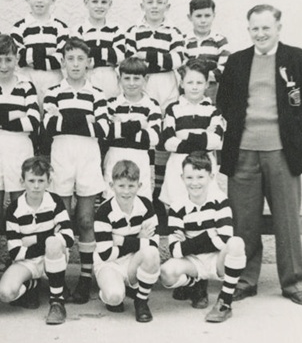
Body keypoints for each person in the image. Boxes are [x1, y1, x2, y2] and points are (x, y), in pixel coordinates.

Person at [217, 4, 302, 305]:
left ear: (278, 27)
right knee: (244, 222)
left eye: (266, 27)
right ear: (248, 29)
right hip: (243, 154)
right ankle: (244, 280)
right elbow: (224, 101)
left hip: (281, 153)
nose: (260, 33)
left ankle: (293, 283)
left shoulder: (298, 58)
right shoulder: (237, 61)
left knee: (287, 221)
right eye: (255, 28)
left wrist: (292, 131)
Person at [42, 37, 109, 304]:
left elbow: (102, 129)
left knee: (85, 220)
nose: (76, 64)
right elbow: (49, 126)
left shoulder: (98, 93)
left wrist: (65, 119)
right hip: (61, 155)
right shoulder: (53, 91)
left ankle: (84, 278)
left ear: (89, 62)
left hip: (88, 156)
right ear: (63, 62)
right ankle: (57, 280)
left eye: (81, 59)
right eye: (70, 59)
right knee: (60, 219)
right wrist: (85, 120)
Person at [160, 152, 247, 322]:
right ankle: (193, 284)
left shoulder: (220, 201)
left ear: (211, 176)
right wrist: (209, 234)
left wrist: (188, 242)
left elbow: (224, 240)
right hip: (192, 262)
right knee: (166, 273)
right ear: (182, 178)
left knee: (236, 243)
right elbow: (175, 250)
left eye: (200, 177)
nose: (195, 183)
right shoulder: (177, 206)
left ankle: (225, 302)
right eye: (189, 177)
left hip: (216, 260)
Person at [0, 34, 40, 235]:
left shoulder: (26, 85)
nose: (3, 66)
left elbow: (33, 121)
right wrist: (16, 114)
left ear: (17, 58)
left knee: (20, 203)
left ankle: (17, 251)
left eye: (8, 60)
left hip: (20, 147)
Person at [0, 156, 74, 325]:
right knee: (5, 293)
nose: (36, 186)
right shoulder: (15, 209)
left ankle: (56, 302)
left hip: (53, 256)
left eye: (41, 180)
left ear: (49, 181)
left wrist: (33, 239)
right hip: (26, 261)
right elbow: (15, 252)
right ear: (22, 181)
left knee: (54, 243)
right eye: (31, 180)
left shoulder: (55, 201)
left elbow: (68, 238)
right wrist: (48, 237)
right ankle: (32, 285)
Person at [93, 160, 160, 322]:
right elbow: (106, 253)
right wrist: (138, 239)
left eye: (131, 186)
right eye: (121, 186)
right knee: (115, 297)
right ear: (111, 185)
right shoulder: (104, 211)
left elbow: (154, 244)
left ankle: (141, 300)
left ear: (139, 185)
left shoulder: (145, 205)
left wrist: (120, 240)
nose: (126, 191)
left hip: (133, 261)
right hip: (110, 263)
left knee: (151, 253)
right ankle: (114, 289)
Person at [159, 58, 225, 208]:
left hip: (205, 167)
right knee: (176, 208)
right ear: (182, 83)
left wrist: (183, 135)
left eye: (199, 83)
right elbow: (168, 142)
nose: (194, 87)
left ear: (207, 84)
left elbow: (215, 142)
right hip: (178, 167)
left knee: (206, 210)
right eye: (190, 82)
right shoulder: (173, 109)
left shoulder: (213, 111)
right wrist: (203, 137)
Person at [103, 56, 162, 200]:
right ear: (119, 79)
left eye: (136, 78)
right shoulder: (111, 104)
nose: (131, 83)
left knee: (141, 201)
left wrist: (121, 127)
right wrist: (139, 126)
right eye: (127, 78)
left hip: (140, 156)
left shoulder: (152, 105)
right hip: (114, 156)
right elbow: (106, 132)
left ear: (145, 79)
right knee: (113, 199)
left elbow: (154, 138)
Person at [9, 0, 69, 106]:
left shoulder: (60, 27)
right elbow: (19, 58)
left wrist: (32, 55)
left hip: (53, 79)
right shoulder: (19, 27)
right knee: (30, 115)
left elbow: (61, 59)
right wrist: (48, 51)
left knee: (51, 115)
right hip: (27, 78)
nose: (39, 0)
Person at [125, 0, 185, 110]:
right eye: (150, 2)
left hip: (167, 82)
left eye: (159, 2)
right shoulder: (134, 31)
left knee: (168, 115)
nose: (154, 7)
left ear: (167, 6)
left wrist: (146, 55)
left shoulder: (173, 31)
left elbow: (177, 61)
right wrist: (164, 60)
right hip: (142, 82)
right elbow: (131, 62)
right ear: (142, 6)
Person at [75, 0, 125, 99]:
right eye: (94, 2)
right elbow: (79, 58)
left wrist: (90, 52)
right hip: (86, 78)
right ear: (86, 3)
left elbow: (120, 56)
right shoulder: (79, 30)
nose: (99, 6)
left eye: (104, 2)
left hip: (110, 79)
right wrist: (108, 55)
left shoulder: (116, 29)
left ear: (110, 4)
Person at [183, 0, 230, 102]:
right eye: (198, 16)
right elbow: (182, 67)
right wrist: (193, 81)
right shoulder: (184, 41)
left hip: (211, 89)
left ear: (214, 15)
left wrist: (202, 79)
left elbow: (224, 68)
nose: (203, 20)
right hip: (189, 89)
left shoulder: (220, 41)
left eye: (207, 16)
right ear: (190, 17)